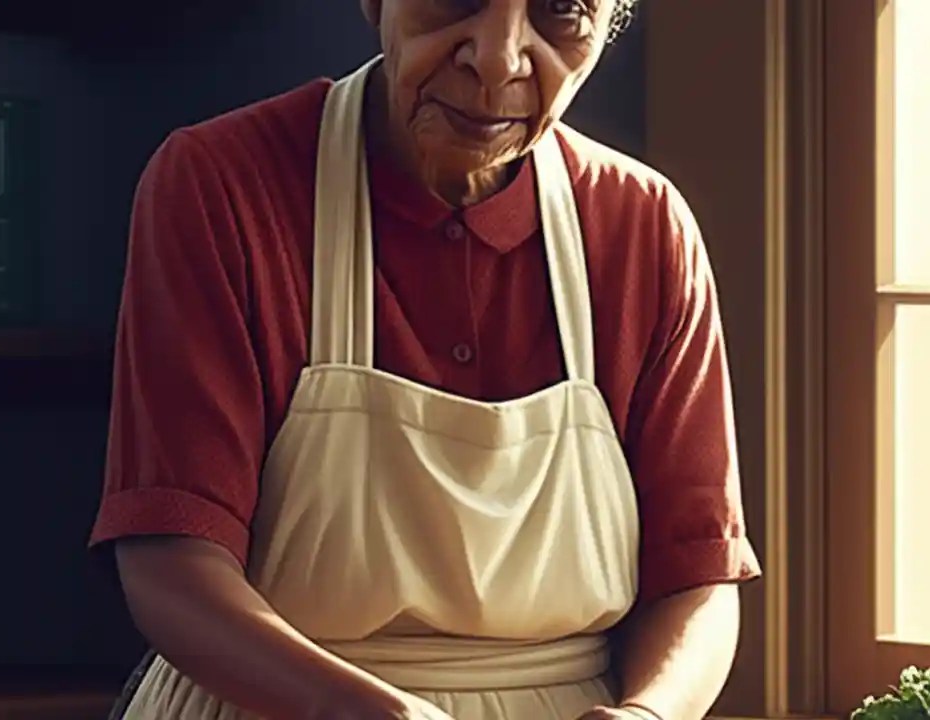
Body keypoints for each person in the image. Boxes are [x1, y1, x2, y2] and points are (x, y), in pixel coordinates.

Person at [88, 1, 761, 718]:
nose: (498, 59)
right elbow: (172, 564)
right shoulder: (222, 184)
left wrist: (647, 715)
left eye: (562, 10)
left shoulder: (644, 226)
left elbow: (696, 578)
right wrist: (364, 711)